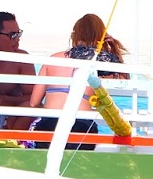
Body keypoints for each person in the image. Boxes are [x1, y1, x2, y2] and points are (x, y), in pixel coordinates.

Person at [26, 14, 129, 150]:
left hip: (49, 127)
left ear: (74, 35)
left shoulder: (53, 59)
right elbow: (124, 81)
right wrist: (113, 48)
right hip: (82, 128)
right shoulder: (99, 63)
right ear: (101, 37)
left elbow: (34, 103)